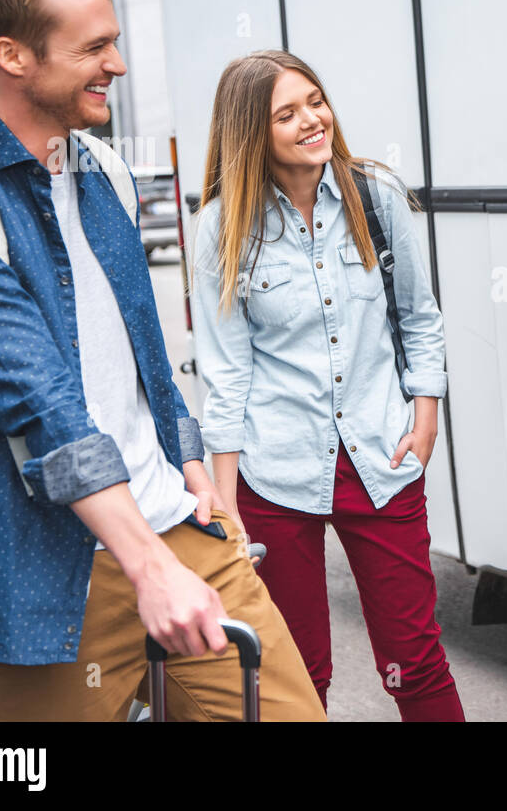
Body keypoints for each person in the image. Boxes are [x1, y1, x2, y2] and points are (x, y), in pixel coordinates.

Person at [0, 0, 323, 720]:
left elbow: (142, 351)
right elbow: (36, 398)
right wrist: (145, 566)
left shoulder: (106, 173)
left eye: (115, 42)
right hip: (36, 572)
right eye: (94, 47)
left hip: (176, 527)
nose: (117, 65)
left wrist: (189, 463)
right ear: (12, 55)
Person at [190, 50, 464, 721]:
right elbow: (225, 371)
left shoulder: (376, 195)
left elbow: (421, 315)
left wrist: (424, 417)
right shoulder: (223, 226)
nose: (313, 119)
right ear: (253, 132)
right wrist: (227, 508)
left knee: (415, 659)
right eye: (287, 113)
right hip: (274, 474)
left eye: (316, 101)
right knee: (296, 671)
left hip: (382, 456)